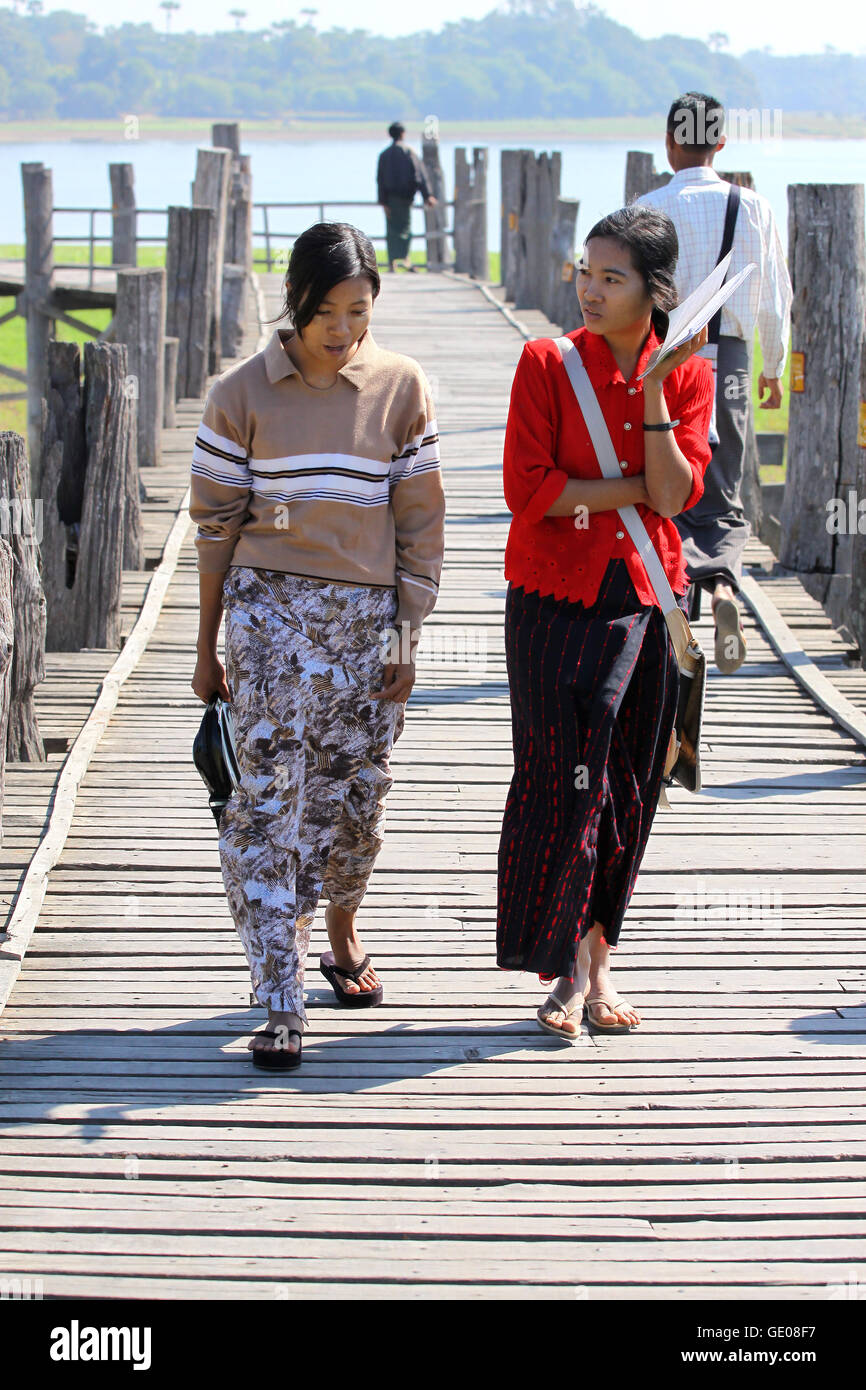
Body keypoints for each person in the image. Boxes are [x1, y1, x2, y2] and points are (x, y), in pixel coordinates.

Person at [189, 222, 446, 1068]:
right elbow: (216, 527)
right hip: (267, 618)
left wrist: (409, 632)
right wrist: (204, 644)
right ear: (295, 301)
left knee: (354, 800)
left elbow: (421, 524)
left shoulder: (403, 387)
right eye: (325, 311)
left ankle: (337, 924)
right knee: (268, 805)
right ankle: (281, 1000)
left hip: (368, 626)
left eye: (358, 311)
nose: (341, 330)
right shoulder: (239, 395)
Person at [497, 205, 714, 1039]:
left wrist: (654, 392)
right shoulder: (545, 364)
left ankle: (598, 964)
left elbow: (672, 495)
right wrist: (630, 491)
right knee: (560, 784)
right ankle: (559, 975)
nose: (589, 290)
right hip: (552, 600)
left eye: (611, 278)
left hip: (648, 598)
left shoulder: (686, 375)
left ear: (655, 293)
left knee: (624, 787)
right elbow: (533, 493)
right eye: (584, 271)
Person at [637, 91, 792, 674]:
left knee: (664, 480)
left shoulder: (647, 207)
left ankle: (670, 612)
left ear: (670, 140)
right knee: (722, 482)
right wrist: (771, 370)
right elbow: (774, 299)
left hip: (664, 361)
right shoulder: (751, 207)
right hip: (727, 360)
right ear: (721, 142)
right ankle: (724, 591)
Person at [377, 121, 438, 273]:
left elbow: (380, 179)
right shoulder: (409, 152)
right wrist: (427, 195)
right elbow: (420, 175)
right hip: (406, 198)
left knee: (392, 231)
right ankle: (405, 260)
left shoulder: (384, 155)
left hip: (390, 199)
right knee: (405, 229)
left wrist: (383, 201)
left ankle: (393, 262)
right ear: (403, 134)